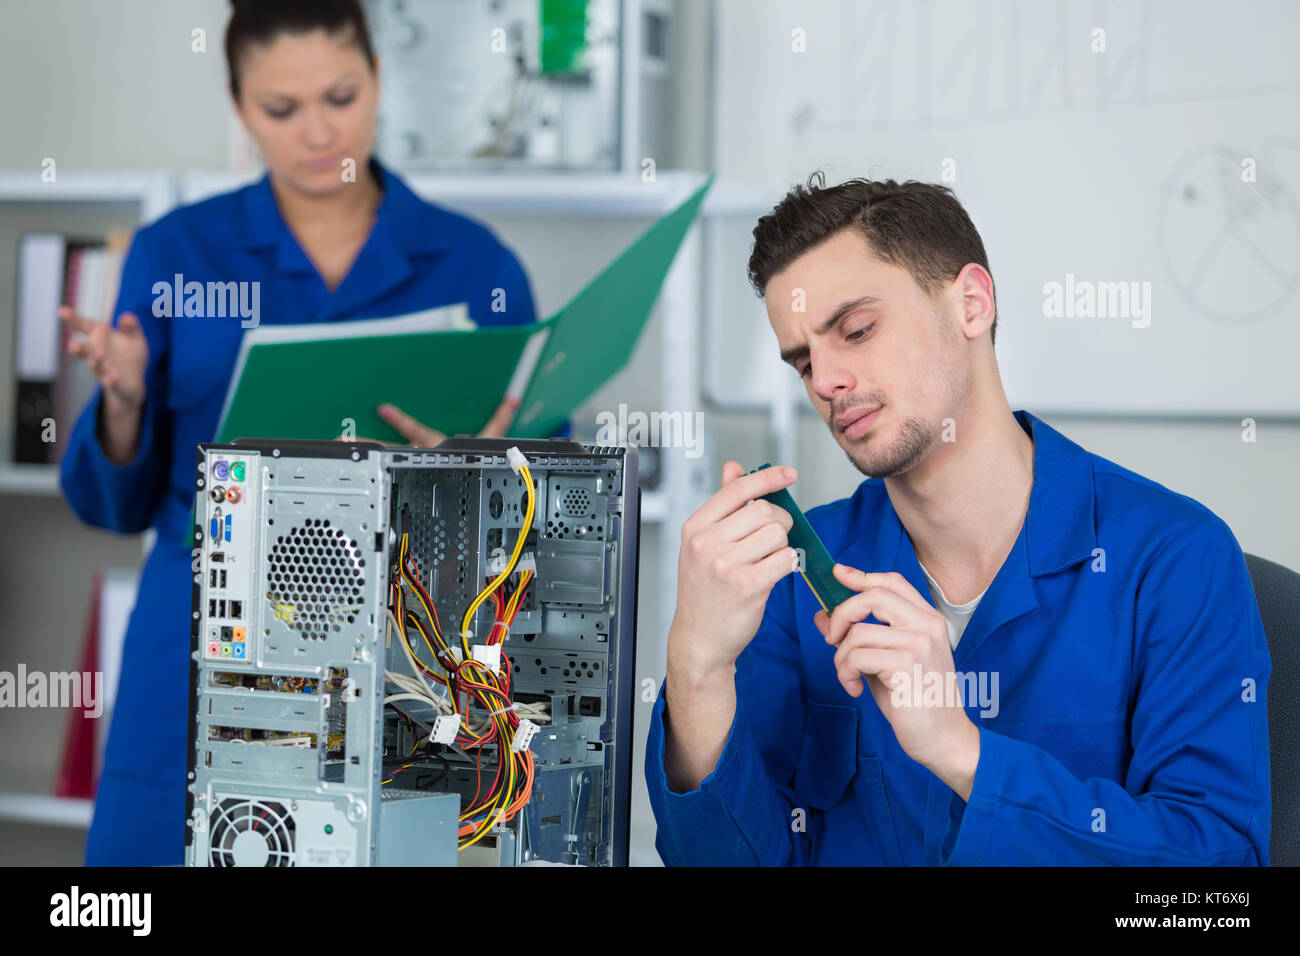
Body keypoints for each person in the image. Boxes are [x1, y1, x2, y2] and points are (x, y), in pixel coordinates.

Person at [645, 173, 1272, 865]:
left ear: (971, 302)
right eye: (803, 362)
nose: (825, 381)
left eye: (855, 330)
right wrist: (697, 662)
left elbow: (1218, 888)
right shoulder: (793, 573)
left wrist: (959, 751)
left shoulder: (1174, 560)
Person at [59, 0, 547, 865]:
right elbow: (111, 507)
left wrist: (474, 466)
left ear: (378, 80)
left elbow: (545, 491)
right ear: (240, 106)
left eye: (341, 96)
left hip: (401, 652)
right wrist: (126, 402)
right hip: (202, 643)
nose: (318, 132)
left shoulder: (476, 264)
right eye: (281, 111)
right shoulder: (175, 254)